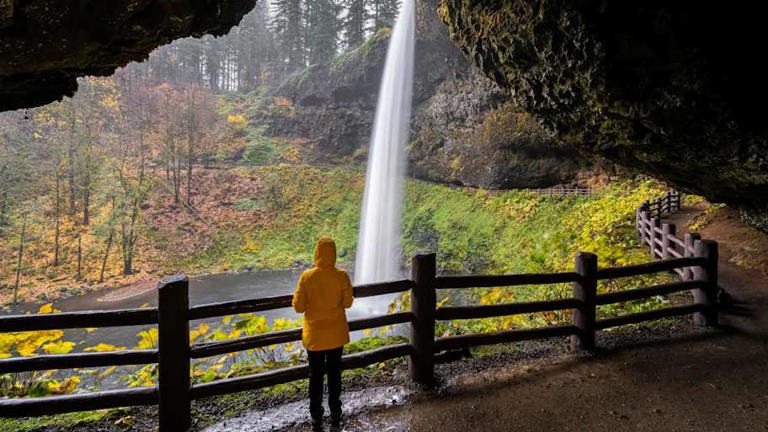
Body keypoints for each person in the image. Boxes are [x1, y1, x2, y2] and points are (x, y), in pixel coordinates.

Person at [292, 237, 354, 431]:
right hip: (336, 335)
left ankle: (316, 417)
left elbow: (298, 307)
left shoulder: (306, 276)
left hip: (315, 337)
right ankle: (335, 415)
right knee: (335, 375)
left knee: (316, 377)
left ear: (316, 253)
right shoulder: (341, 275)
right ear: (333, 254)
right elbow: (348, 303)